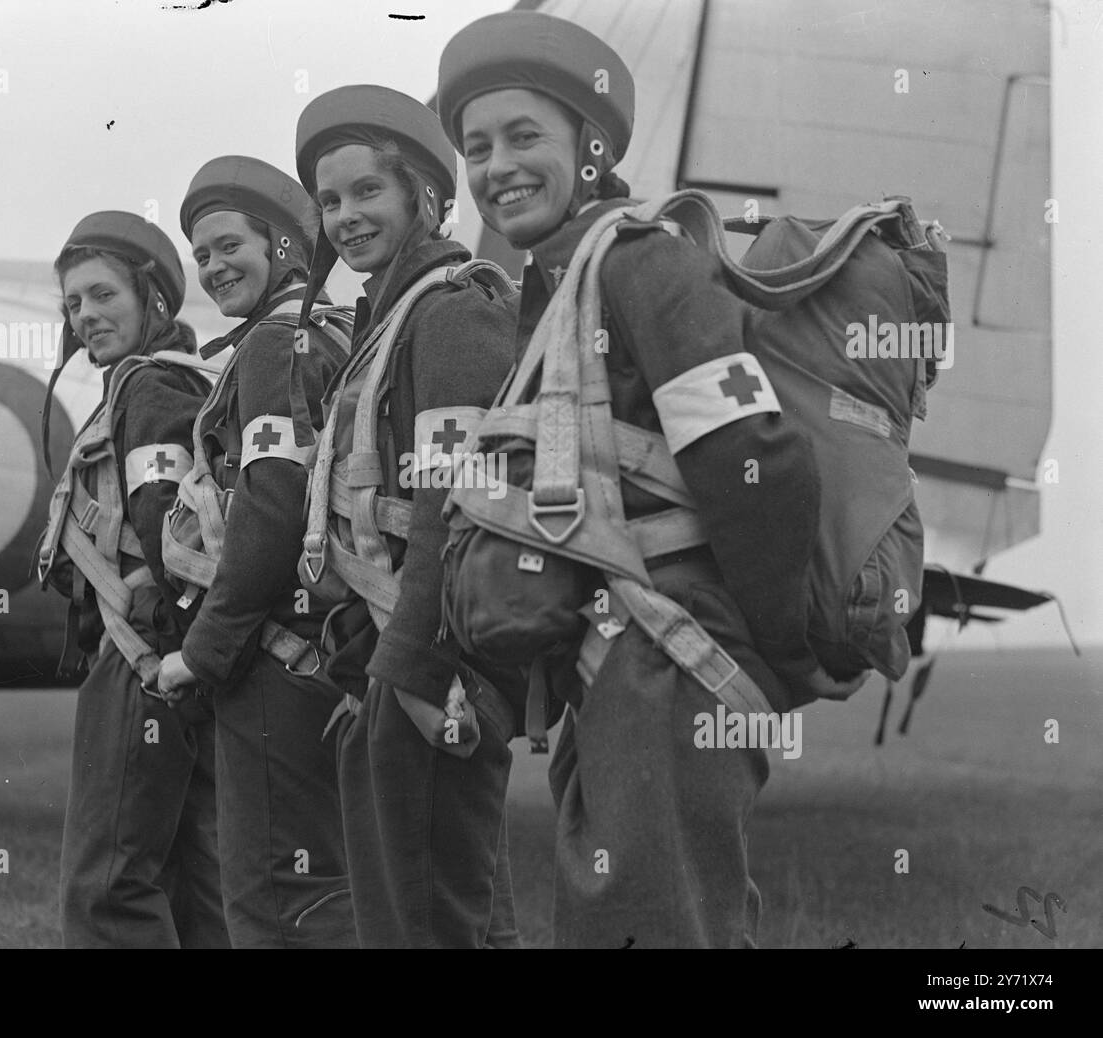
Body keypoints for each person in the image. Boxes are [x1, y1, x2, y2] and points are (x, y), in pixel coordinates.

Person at [438, 10, 834, 948]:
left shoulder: (646, 265)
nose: (497, 167)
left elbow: (758, 462)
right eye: (476, 146)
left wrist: (779, 647)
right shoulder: (563, 282)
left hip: (675, 663)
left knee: (650, 925)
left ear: (593, 147)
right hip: (619, 666)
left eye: (525, 135)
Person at [293, 84, 522, 948]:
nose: (344, 217)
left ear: (425, 197)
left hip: (433, 658)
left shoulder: (453, 313)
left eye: (366, 192)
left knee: (423, 921)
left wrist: (416, 672)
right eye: (328, 200)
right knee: (441, 912)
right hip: (395, 650)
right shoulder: (392, 317)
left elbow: (455, 505)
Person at [153, 156, 356, 947]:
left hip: (276, 661)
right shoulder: (337, 332)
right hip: (329, 647)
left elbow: (271, 505)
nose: (212, 267)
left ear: (284, 248)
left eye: (229, 245)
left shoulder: (275, 345)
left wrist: (201, 654)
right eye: (201, 255)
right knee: (333, 883)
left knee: (278, 899)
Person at [37, 211, 227, 948]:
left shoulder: (148, 389)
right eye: (73, 305)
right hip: (178, 658)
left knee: (107, 885)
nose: (85, 317)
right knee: (190, 876)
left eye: (101, 296)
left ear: (151, 298)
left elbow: (167, 534)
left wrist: (165, 655)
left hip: (144, 655)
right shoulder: (171, 379)